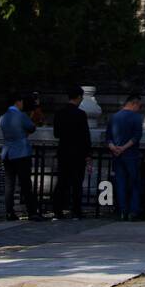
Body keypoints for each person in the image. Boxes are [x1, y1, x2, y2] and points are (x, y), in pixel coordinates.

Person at [0, 93, 42, 221]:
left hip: (7, 152)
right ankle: (32, 212)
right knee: (26, 184)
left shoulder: (3, 117)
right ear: (18, 102)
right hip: (21, 152)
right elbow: (31, 127)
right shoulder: (20, 115)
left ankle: (9, 212)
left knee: (9, 185)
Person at [52, 87, 92, 220]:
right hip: (78, 153)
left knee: (62, 182)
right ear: (79, 97)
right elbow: (85, 135)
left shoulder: (59, 113)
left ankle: (58, 209)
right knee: (76, 183)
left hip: (63, 151)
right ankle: (76, 210)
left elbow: (56, 133)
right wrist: (88, 154)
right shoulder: (80, 114)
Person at [106, 92, 144, 221]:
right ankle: (133, 211)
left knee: (120, 183)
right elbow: (136, 137)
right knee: (134, 183)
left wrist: (114, 148)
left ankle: (122, 210)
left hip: (117, 155)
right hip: (131, 154)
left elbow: (108, 137)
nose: (140, 108)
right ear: (134, 104)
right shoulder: (136, 118)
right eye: (139, 105)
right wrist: (124, 148)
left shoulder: (114, 117)